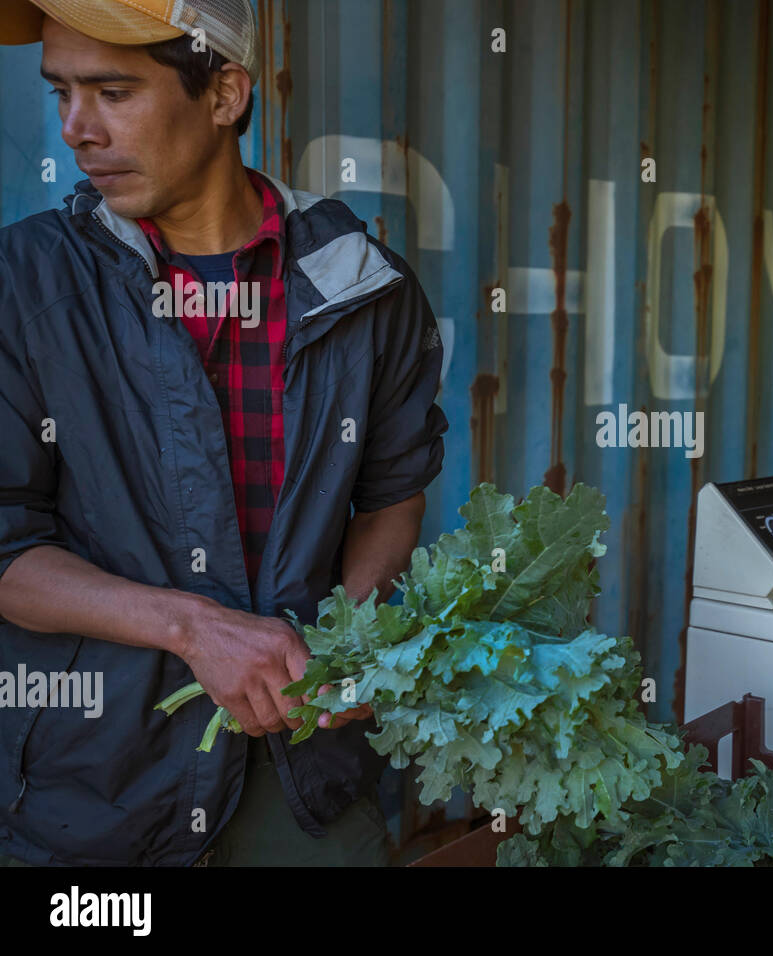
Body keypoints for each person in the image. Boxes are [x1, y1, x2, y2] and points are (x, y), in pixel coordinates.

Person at [0, 0, 448, 865]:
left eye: (113, 91)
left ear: (225, 94)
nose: (75, 130)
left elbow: (392, 494)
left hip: (304, 775)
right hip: (87, 788)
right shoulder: (26, 287)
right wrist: (191, 628)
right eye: (62, 91)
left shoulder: (364, 287)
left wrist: (346, 638)